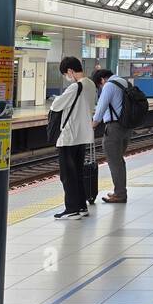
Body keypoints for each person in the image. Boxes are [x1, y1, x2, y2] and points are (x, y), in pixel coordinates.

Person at [49, 57, 97, 220]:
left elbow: (56, 106)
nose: (66, 77)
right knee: (77, 173)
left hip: (69, 136)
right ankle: (81, 206)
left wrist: (57, 98)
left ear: (70, 71)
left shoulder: (75, 87)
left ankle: (71, 209)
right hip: (83, 136)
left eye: (65, 74)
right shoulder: (90, 85)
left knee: (68, 175)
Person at [91, 68, 129, 204]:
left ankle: (119, 194)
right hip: (126, 127)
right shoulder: (124, 82)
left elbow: (101, 108)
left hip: (114, 128)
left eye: (99, 85)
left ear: (102, 80)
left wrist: (93, 125)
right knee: (119, 160)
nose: (101, 87)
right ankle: (120, 191)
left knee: (114, 161)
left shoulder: (109, 85)